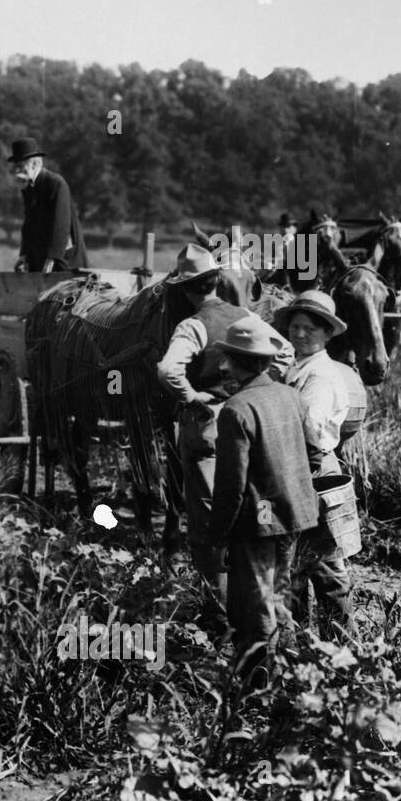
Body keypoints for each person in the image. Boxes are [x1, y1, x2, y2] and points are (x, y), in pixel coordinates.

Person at [206, 315, 321, 681]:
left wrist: (219, 535)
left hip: (257, 522)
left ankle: (259, 684)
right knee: (279, 592)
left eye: (230, 358)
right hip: (294, 515)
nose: (224, 366)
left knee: (255, 600)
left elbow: (230, 485)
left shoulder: (236, 410)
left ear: (243, 363)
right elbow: (315, 453)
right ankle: (287, 670)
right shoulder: (292, 395)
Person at [155, 243, 251, 614]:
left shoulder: (192, 325)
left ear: (189, 289)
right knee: (243, 506)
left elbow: (166, 370)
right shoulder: (244, 316)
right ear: (216, 282)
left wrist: (192, 395)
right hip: (245, 423)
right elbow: (284, 352)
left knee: (208, 514)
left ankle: (216, 607)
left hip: (207, 426)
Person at [274, 290, 354, 629]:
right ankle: (304, 645)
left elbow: (308, 429)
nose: (301, 334)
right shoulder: (298, 368)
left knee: (325, 563)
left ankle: (343, 645)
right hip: (300, 470)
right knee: (296, 564)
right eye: (295, 327)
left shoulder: (321, 376)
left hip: (315, 471)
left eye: (310, 329)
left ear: (327, 334)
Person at [7, 138, 89, 273]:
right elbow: (29, 223)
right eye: (16, 167)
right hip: (42, 258)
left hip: (65, 259)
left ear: (35, 164)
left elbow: (61, 224)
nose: (17, 172)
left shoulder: (56, 183)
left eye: (21, 167)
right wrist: (24, 253)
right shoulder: (28, 186)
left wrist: (53, 257)